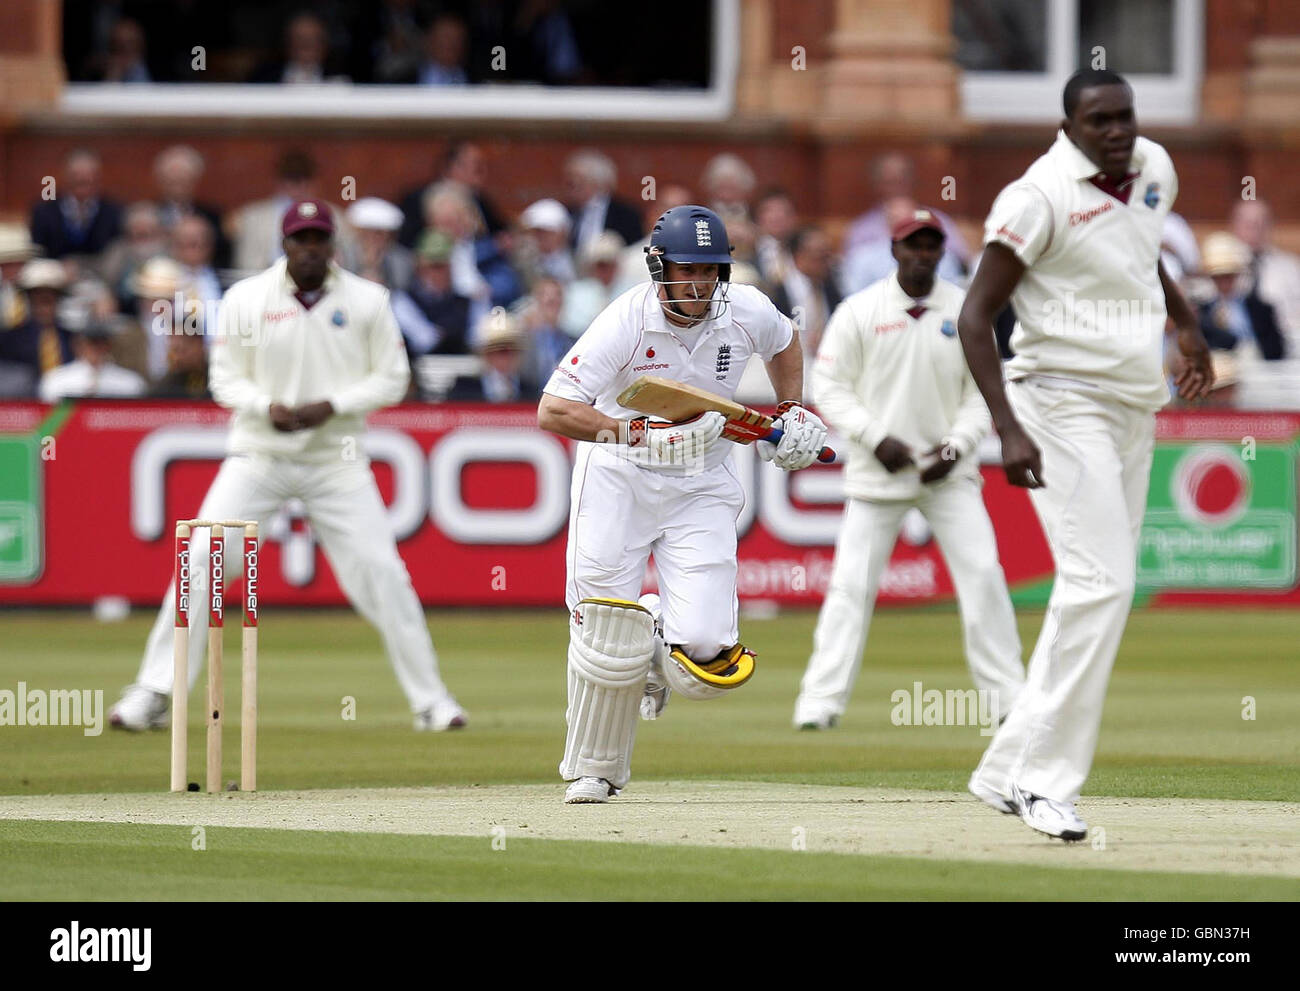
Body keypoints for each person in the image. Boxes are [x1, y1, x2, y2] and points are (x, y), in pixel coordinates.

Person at [957, 69, 1214, 841]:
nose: (1116, 130)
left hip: (1134, 403)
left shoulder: (1155, 169)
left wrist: (1188, 324)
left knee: (1097, 588)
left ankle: (1005, 767)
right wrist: (1006, 426)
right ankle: (1044, 783)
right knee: (1103, 582)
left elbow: (1142, 257)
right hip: (1058, 397)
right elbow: (976, 318)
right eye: (1098, 120)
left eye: (1125, 115)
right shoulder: (1035, 198)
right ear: (1068, 126)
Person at [109, 199, 467, 734]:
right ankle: (156, 690)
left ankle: (431, 701)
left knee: (383, 572)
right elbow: (225, 379)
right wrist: (266, 408)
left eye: (319, 239)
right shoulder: (244, 299)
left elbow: (392, 378)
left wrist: (333, 405)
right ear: (284, 244)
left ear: (333, 245)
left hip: (336, 458)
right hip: (259, 452)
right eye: (300, 239)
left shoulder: (369, 300)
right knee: (202, 557)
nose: (310, 248)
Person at [537, 205, 828, 804]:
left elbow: (787, 340)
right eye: (683, 270)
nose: (696, 285)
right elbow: (554, 409)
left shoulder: (744, 308)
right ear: (657, 266)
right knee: (602, 634)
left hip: (701, 479)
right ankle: (595, 770)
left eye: (708, 271)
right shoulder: (626, 319)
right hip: (619, 474)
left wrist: (794, 406)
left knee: (704, 663)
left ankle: (655, 628)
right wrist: (635, 433)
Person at [793, 209, 1025, 730]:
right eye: (911, 246)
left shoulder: (968, 309)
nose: (921, 255)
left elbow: (982, 390)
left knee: (984, 575)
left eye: (930, 246)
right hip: (878, 475)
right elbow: (830, 387)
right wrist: (876, 439)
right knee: (851, 587)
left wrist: (956, 446)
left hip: (949, 475)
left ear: (941, 251)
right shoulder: (859, 310)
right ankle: (820, 702)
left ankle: (1009, 699)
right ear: (894, 251)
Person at [1195, 232, 1286, 361]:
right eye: (1218, 277)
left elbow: (1276, 350)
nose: (1224, 282)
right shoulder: (1202, 312)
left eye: (1228, 276)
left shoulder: (1261, 309)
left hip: (1258, 370)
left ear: (1237, 275)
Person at [29, 149, 124, 262]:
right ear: (65, 176)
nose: (82, 179)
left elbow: (116, 253)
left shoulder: (114, 211)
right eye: (76, 175)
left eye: (88, 175)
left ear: (98, 178)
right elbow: (37, 252)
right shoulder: (43, 211)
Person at [38, 318, 146, 402]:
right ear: (78, 344)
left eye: (101, 343)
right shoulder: (55, 380)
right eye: (90, 343)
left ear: (109, 345)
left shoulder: (130, 382)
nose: (96, 348)